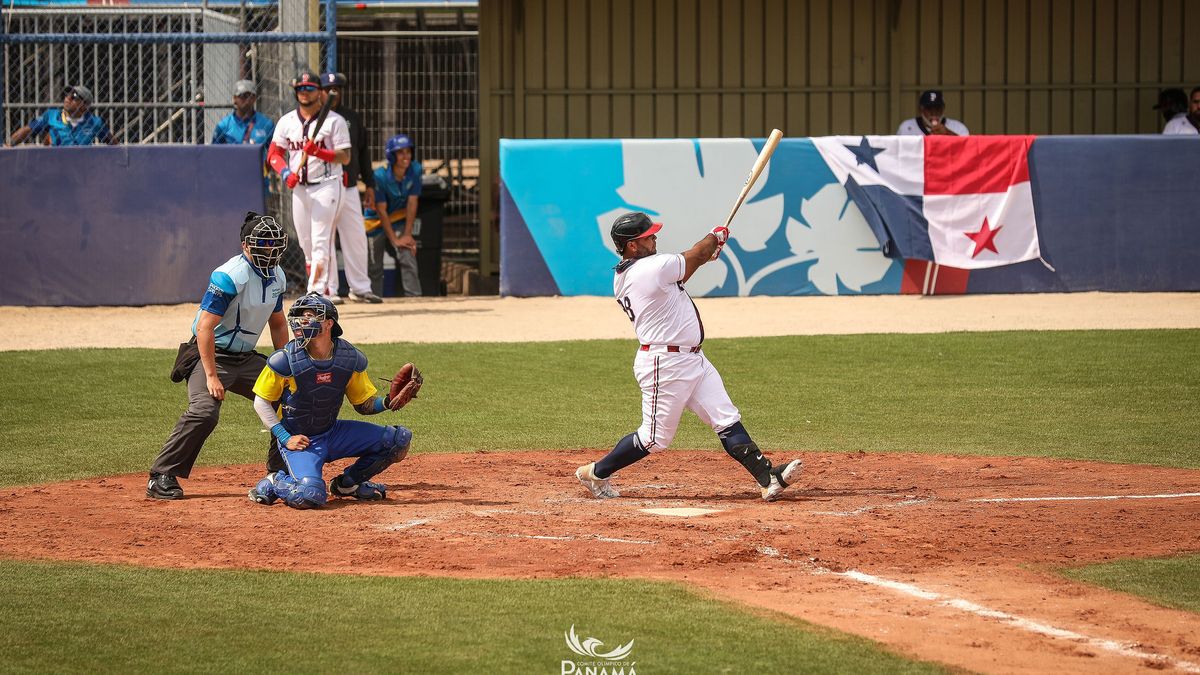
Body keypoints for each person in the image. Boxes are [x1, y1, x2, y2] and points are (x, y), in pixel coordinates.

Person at [575, 212, 803, 502]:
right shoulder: (650, 269)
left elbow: (692, 261)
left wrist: (708, 251)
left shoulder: (634, 272)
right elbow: (696, 254)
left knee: (725, 417)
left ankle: (766, 476)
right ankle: (596, 473)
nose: (655, 238)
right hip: (665, 364)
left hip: (692, 359)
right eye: (648, 236)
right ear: (632, 245)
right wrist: (714, 236)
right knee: (654, 439)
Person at [147, 212, 290, 499]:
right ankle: (161, 475)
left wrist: (286, 364)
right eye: (263, 245)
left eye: (274, 246)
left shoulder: (278, 276)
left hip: (246, 358)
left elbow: (277, 322)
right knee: (205, 411)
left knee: (291, 399)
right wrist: (211, 375)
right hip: (210, 355)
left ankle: (281, 471)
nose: (270, 252)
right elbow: (205, 328)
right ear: (246, 246)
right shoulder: (228, 276)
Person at [247, 293, 417, 509]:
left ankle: (348, 485)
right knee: (309, 495)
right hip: (301, 442)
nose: (301, 322)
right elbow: (260, 402)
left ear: (328, 323)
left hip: (333, 432)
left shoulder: (348, 358)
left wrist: (387, 402)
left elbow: (363, 404)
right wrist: (285, 437)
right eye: (299, 317)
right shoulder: (285, 360)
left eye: (309, 316)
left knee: (398, 440)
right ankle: (275, 481)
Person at [266, 70, 351, 303]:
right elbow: (274, 154)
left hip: (327, 185)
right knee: (306, 243)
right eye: (301, 89)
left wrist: (320, 152)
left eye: (310, 88)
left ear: (319, 92)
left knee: (321, 239)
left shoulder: (335, 121)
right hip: (300, 188)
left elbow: (345, 157)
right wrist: (285, 173)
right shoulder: (287, 121)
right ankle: (324, 290)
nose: (304, 92)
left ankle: (314, 292)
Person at [319, 72, 382, 304]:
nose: (333, 93)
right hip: (323, 187)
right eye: (328, 88)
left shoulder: (352, 118)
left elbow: (362, 153)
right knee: (324, 238)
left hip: (349, 185)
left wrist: (371, 184)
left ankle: (360, 287)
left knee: (356, 236)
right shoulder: (315, 118)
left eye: (337, 88)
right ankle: (329, 289)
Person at [368, 133, 423, 297]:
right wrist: (394, 240)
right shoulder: (380, 176)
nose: (406, 156)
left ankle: (414, 297)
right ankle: (374, 298)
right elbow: (381, 211)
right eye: (401, 152)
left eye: (408, 151)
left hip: (399, 221)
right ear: (392, 155)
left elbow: (413, 202)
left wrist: (407, 234)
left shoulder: (416, 170)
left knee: (407, 254)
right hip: (375, 222)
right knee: (374, 266)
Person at [4, 84, 116, 147]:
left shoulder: (94, 122)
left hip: (83, 169)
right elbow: (28, 130)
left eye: (74, 96)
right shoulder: (51, 116)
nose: (68, 98)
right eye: (67, 94)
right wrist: (9, 145)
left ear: (84, 106)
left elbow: (113, 144)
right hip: (56, 166)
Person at [211, 80, 275, 146]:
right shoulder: (224, 125)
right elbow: (214, 152)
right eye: (243, 96)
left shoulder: (267, 124)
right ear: (234, 98)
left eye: (250, 96)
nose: (247, 100)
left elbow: (274, 152)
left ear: (255, 98)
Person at [896, 89, 969, 136]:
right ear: (921, 109)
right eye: (929, 108)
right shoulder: (906, 127)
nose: (934, 112)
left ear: (943, 109)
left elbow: (967, 149)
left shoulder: (958, 127)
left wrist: (948, 133)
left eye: (938, 108)